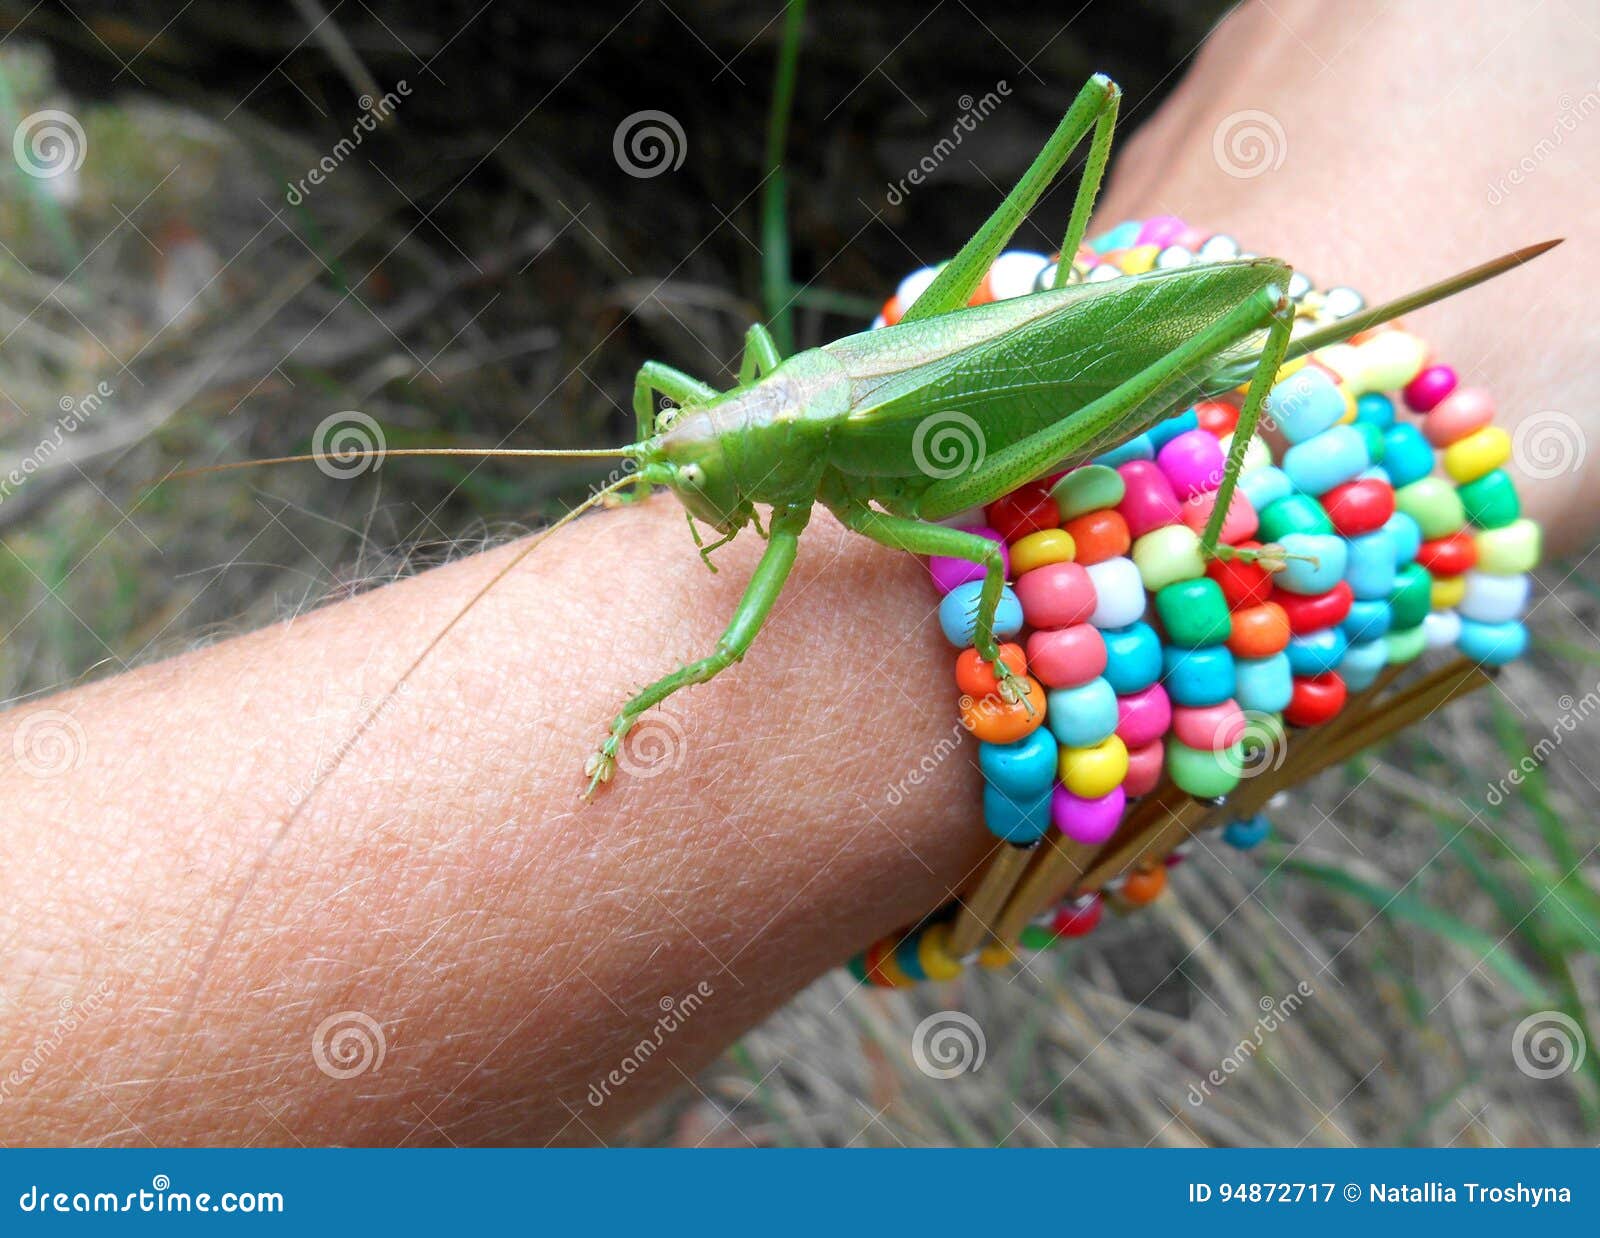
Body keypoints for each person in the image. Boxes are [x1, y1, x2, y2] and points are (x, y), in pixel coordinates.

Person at [1, 0, 1592, 1145]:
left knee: (1071, 268)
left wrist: (678, 673)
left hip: (976, 414)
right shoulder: (728, 429)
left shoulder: (822, 482)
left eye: (697, 465)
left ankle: (1248, 375)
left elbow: (971, 538)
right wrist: (683, 471)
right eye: (684, 465)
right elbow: (690, 420)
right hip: (892, 403)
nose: (684, 469)